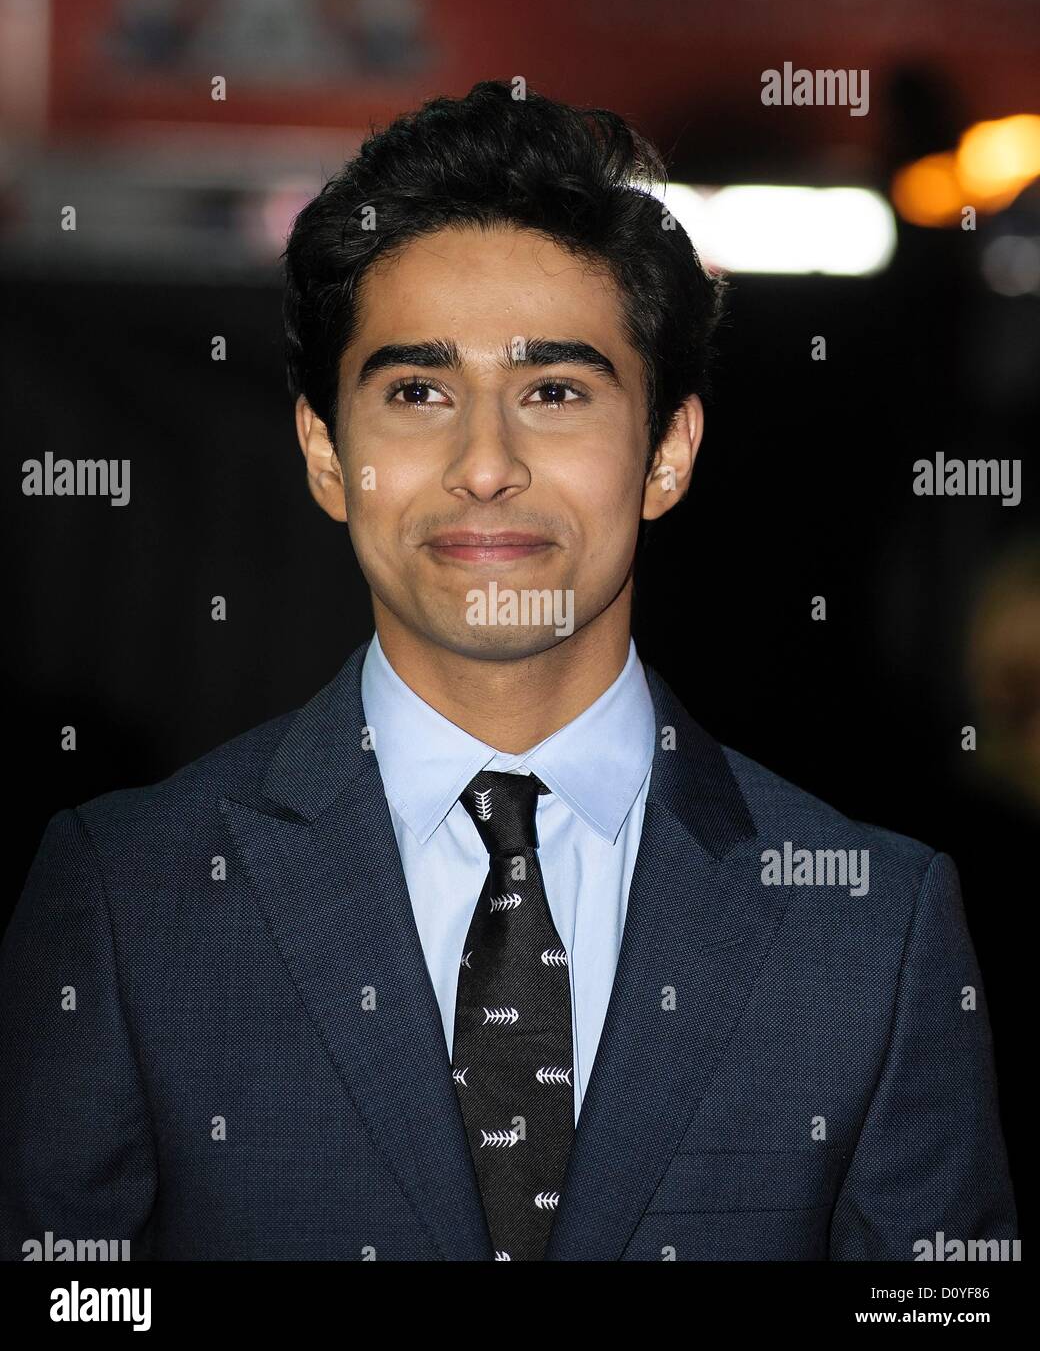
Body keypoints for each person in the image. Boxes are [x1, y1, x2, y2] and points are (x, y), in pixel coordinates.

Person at [0, 80, 1017, 1262]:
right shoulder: (129, 898)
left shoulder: (869, 926)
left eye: (553, 391)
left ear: (667, 451)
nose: (484, 464)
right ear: (327, 456)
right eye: (419, 391)